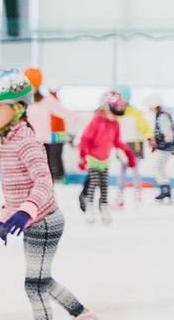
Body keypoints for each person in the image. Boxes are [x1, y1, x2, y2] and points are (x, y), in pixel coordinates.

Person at [0, 69, 117, 320]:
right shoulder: (5, 141)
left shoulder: (25, 141)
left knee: (34, 285)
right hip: (35, 220)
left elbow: (43, 183)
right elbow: (15, 187)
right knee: (42, 281)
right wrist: (3, 218)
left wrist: (25, 212)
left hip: (45, 221)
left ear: (19, 108)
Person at [78, 91, 135, 224]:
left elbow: (117, 141)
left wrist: (128, 153)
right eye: (114, 113)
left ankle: (103, 207)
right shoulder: (97, 121)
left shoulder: (114, 123)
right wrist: (83, 157)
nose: (115, 117)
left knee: (104, 185)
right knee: (92, 183)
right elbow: (85, 139)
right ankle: (90, 207)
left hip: (105, 159)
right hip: (92, 158)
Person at [22, 68, 70, 181]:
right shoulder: (45, 101)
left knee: (53, 158)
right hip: (47, 136)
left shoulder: (49, 101)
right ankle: (57, 175)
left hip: (52, 135)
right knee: (53, 157)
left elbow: (59, 119)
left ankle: (58, 176)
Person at [115, 85, 153, 206]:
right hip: (122, 146)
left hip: (134, 146)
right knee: (122, 170)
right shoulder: (117, 113)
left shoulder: (136, 113)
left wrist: (150, 137)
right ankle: (120, 195)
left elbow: (144, 127)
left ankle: (138, 194)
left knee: (135, 170)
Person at [150, 94, 173, 203]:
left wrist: (165, 145)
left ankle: (165, 191)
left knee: (158, 168)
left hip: (166, 148)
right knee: (159, 168)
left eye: (151, 107)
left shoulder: (162, 116)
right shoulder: (161, 114)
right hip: (165, 147)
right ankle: (166, 191)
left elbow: (167, 133)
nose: (150, 109)